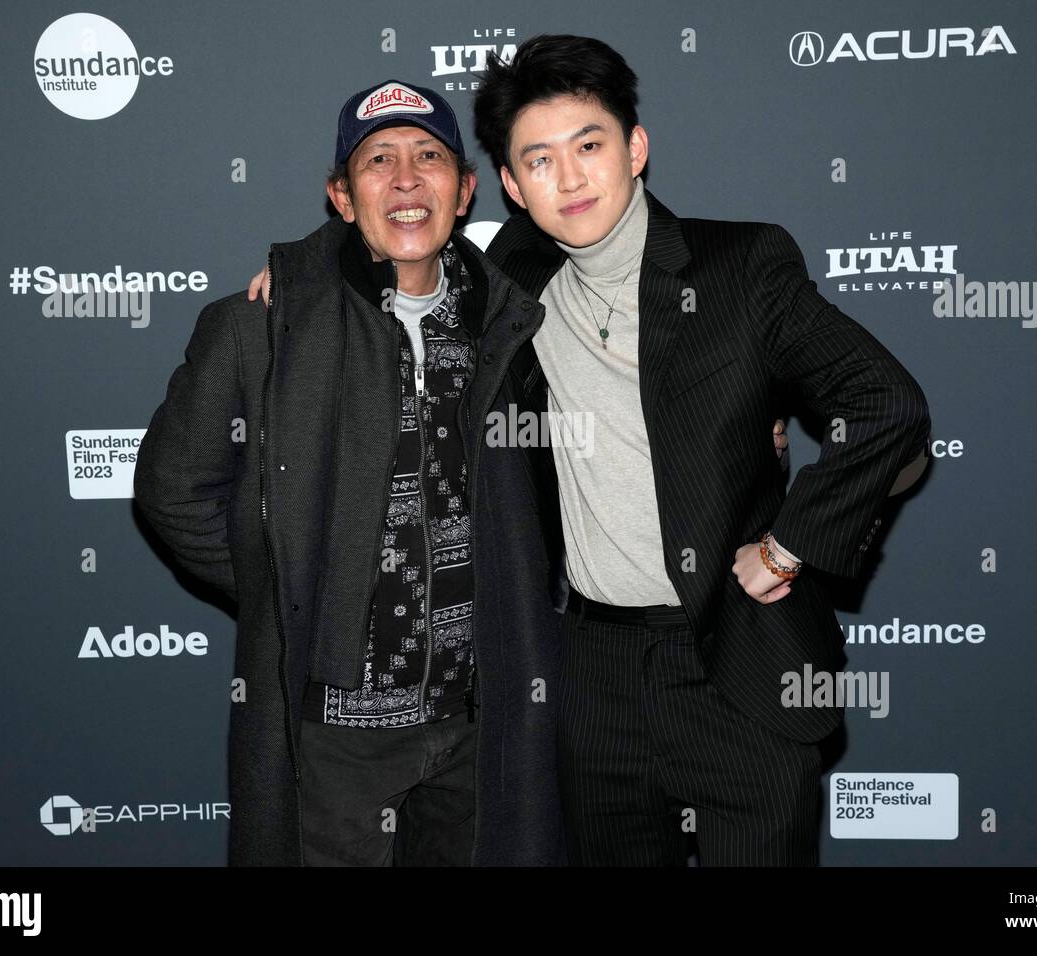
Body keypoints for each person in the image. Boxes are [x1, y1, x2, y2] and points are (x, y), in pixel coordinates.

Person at [245, 41, 890, 866]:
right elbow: (399, 223)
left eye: (589, 146)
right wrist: (298, 273)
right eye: (539, 161)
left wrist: (791, 544)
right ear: (512, 188)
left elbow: (885, 406)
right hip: (589, 677)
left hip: (741, 666)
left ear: (635, 148)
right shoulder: (511, 274)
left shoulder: (743, 266)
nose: (571, 178)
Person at [135, 78, 564, 866]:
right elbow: (173, 492)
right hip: (336, 737)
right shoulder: (259, 328)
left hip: (479, 725)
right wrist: (291, 588)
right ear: (341, 197)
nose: (406, 179)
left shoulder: (511, 330)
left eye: (430, 156)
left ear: (465, 191)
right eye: (378, 161)